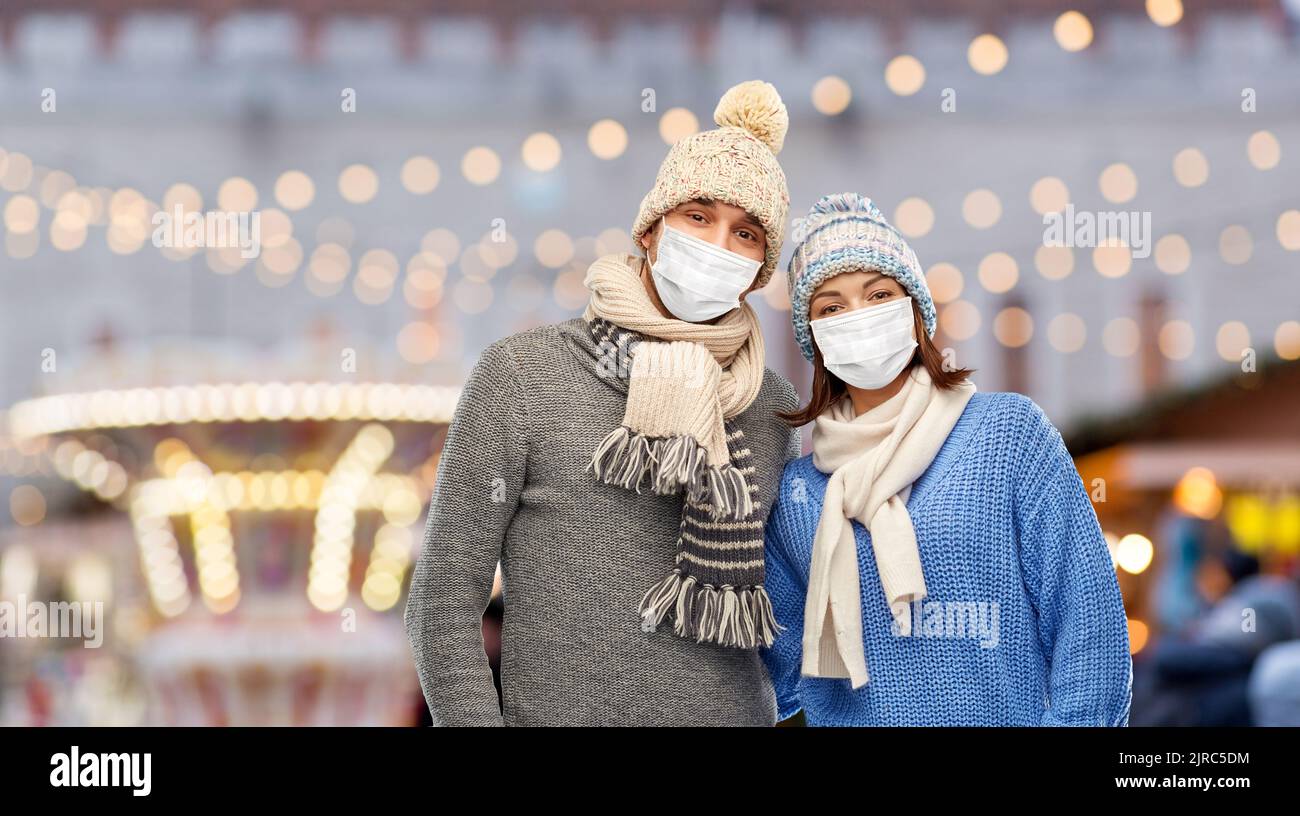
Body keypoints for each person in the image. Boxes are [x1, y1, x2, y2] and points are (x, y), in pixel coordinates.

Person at [404, 80, 802, 726]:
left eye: (745, 233)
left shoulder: (769, 405)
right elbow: (442, 603)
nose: (715, 247)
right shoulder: (521, 375)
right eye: (698, 217)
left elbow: (796, 616)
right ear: (650, 230)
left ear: (759, 271)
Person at [758, 192, 1133, 726]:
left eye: (879, 293)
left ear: (915, 311)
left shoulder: (1008, 434)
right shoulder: (798, 491)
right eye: (831, 307)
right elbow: (770, 676)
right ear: (813, 337)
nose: (857, 317)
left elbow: (1090, 635)